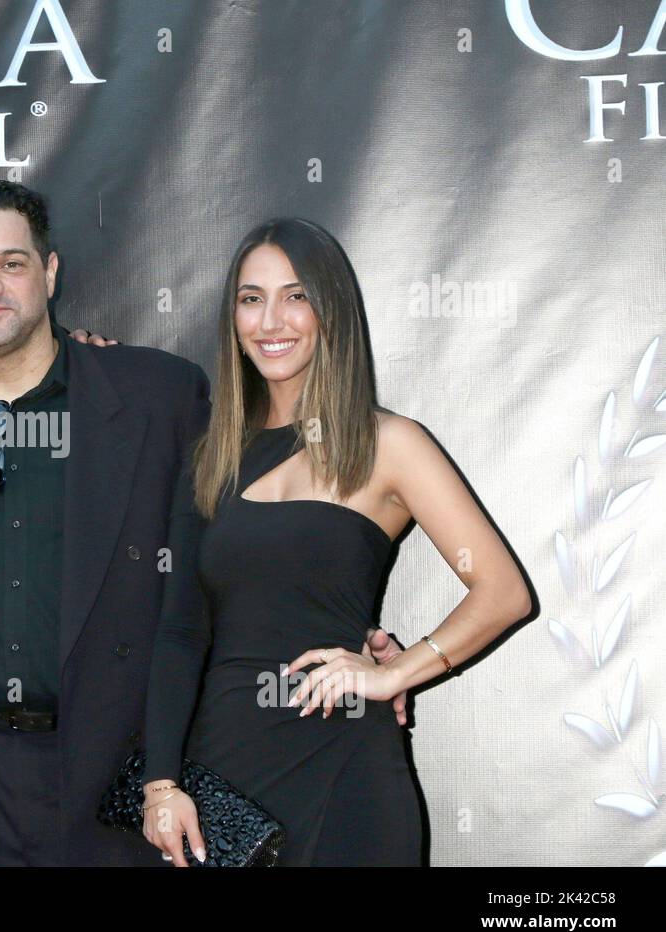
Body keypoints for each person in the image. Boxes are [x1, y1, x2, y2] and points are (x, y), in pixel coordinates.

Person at [0, 184, 400, 866]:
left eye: (12, 263)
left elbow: (241, 550)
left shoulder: (158, 397)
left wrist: (351, 641)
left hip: (122, 778)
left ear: (50, 274)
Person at [141, 217, 533, 866]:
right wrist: (161, 784)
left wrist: (400, 671)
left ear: (331, 311)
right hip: (227, 775)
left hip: (347, 772)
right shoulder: (210, 459)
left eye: (296, 296)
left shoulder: (390, 445)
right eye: (250, 298)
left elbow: (504, 593)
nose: (271, 320)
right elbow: (181, 631)